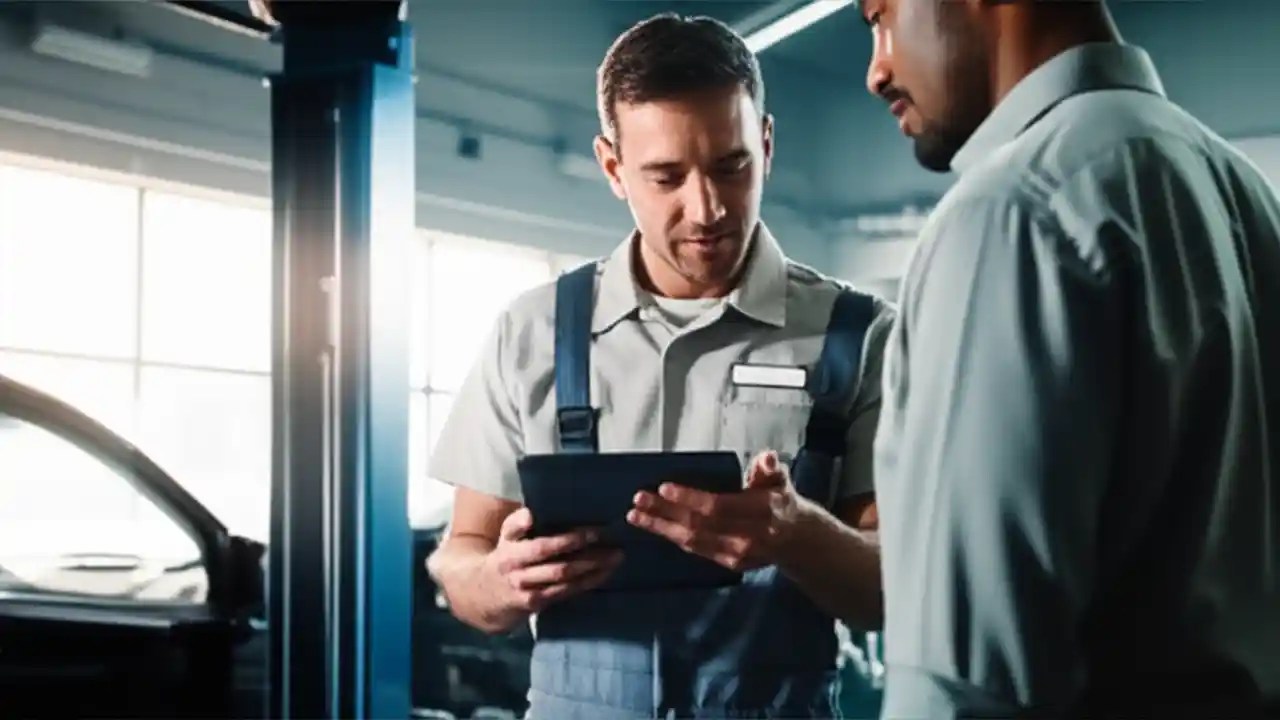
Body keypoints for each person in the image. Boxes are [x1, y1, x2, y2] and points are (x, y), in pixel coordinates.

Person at [426, 12, 896, 720]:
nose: (706, 209)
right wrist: (498, 582)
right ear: (614, 168)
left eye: (732, 166)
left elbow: (895, 590)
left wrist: (797, 533)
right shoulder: (533, 332)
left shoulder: (860, 337)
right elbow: (461, 556)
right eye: (667, 176)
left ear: (767, 146)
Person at [859, 0, 1280, 717]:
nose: (876, 70)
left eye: (881, 14)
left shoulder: (1013, 212)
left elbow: (967, 688)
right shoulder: (1242, 193)